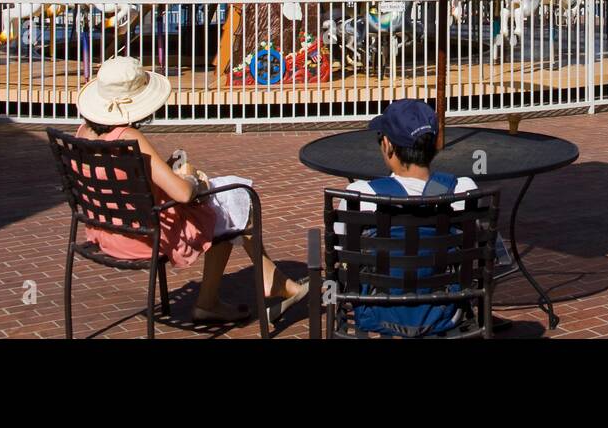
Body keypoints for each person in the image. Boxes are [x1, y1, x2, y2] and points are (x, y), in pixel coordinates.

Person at [74, 57, 306, 323]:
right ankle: (251, 287)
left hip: (106, 232)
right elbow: (183, 194)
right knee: (240, 194)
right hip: (145, 237)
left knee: (226, 205)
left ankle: (264, 280)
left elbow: (121, 178)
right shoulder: (128, 137)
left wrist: (163, 167)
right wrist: (192, 177)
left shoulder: (84, 132)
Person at [339, 99, 479, 336]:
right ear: (435, 144)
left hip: (375, 309)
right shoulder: (464, 189)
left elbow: (341, 250)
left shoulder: (360, 194)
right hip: (446, 307)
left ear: (387, 145)